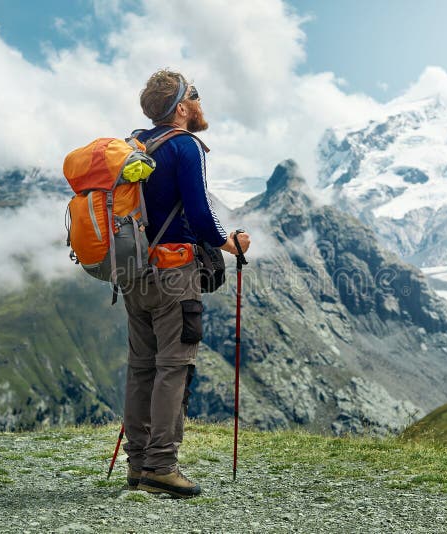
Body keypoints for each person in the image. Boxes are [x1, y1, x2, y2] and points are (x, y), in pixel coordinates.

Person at [122, 69, 250, 498]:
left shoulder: (136, 143)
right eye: (195, 94)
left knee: (142, 369)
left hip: (133, 273)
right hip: (174, 274)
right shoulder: (185, 146)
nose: (200, 101)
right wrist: (229, 242)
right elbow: (199, 213)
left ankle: (138, 465)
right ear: (181, 107)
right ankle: (161, 467)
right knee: (173, 369)